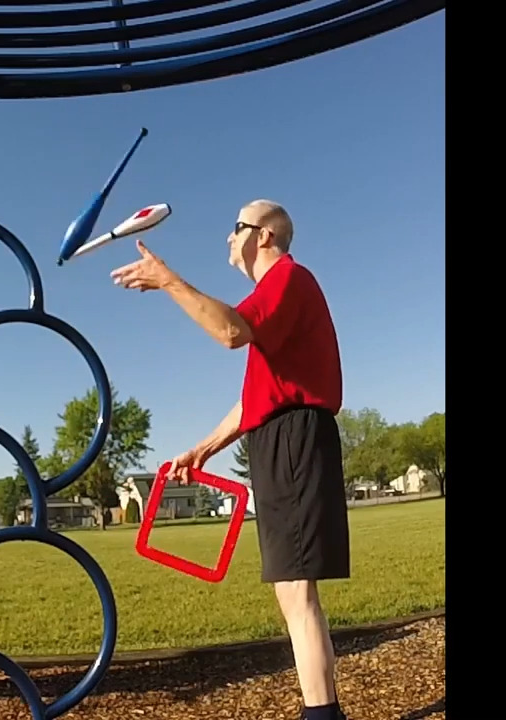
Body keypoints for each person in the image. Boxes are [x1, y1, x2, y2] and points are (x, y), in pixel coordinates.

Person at [110, 200, 350, 720]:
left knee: (295, 590)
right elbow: (254, 399)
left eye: (235, 227)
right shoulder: (271, 299)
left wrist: (168, 280)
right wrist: (203, 448)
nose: (226, 238)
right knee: (294, 594)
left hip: (293, 437)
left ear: (263, 236)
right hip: (279, 436)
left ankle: (321, 715)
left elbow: (230, 333)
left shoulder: (287, 278)